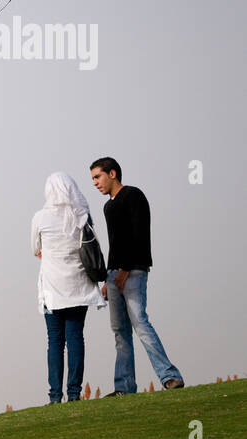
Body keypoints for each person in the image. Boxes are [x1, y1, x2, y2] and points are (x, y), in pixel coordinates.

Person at [89, 157, 185, 393]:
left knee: (140, 323)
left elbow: (139, 235)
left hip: (133, 272)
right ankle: (124, 386)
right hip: (114, 275)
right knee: (120, 333)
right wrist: (108, 278)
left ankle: (170, 377)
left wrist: (125, 270)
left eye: (97, 177)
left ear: (112, 174)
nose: (95, 183)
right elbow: (115, 244)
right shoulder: (108, 206)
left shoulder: (134, 196)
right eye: (92, 179)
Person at [31, 173, 105, 403]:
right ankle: (74, 392)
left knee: (54, 340)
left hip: (52, 289)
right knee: (75, 338)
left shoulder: (40, 218)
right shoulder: (82, 214)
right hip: (79, 287)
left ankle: (55, 395)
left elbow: (36, 249)